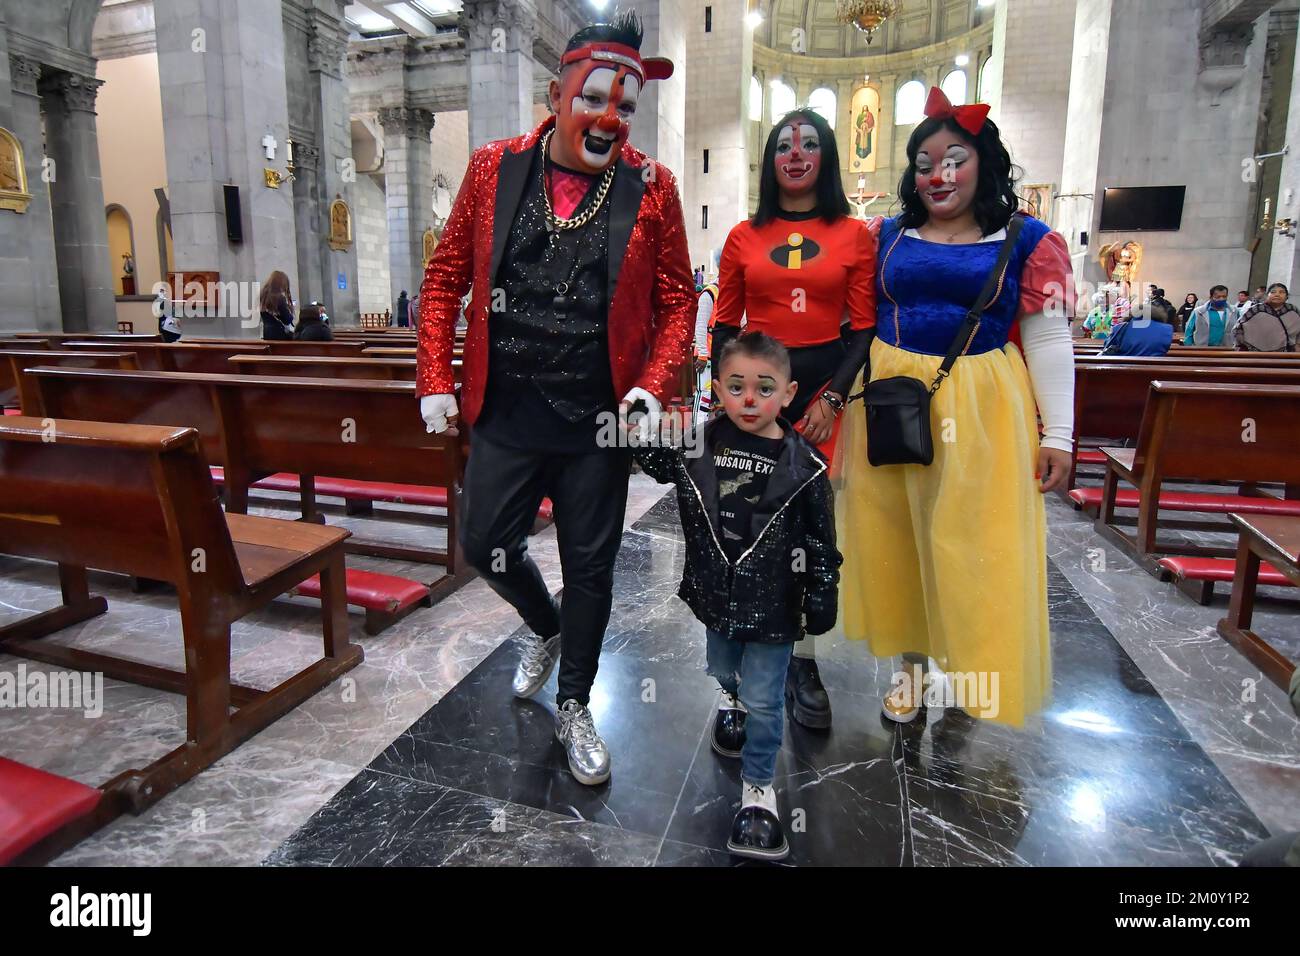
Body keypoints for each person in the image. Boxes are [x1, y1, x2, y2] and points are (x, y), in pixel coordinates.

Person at [415, 9, 692, 786]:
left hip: (597, 418)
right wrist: (435, 373)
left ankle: (575, 701)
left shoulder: (654, 186)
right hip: (506, 408)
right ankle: (543, 624)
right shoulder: (492, 168)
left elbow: (678, 299)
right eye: (596, 98)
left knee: (593, 566)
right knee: (486, 545)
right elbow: (443, 280)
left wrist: (651, 385)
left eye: (626, 106)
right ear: (556, 93)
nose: (611, 118)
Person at [836, 85, 1076, 728]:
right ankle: (912, 674)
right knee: (897, 541)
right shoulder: (882, 235)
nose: (938, 175)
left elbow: (1051, 338)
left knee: (975, 545)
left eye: (954, 158)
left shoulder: (1030, 240)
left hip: (981, 405)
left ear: (984, 163)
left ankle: (971, 670)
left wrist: (1062, 433)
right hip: (888, 402)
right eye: (924, 164)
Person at [634, 332, 840, 860]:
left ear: (789, 393)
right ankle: (730, 700)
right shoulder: (699, 445)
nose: (750, 400)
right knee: (724, 669)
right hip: (716, 594)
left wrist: (822, 591)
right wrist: (637, 418)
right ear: (718, 390)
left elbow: (820, 540)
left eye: (764, 388)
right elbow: (657, 462)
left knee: (767, 698)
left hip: (774, 603)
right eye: (736, 387)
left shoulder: (806, 467)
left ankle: (758, 790)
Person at [710, 106, 876, 730]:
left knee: (806, 533)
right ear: (770, 159)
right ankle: (734, 668)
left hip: (818, 398)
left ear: (827, 156)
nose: (796, 153)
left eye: (809, 144)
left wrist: (831, 399)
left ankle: (800, 660)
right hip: (755, 395)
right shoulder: (742, 236)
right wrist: (734, 398)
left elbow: (862, 331)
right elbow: (724, 325)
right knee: (744, 528)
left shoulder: (853, 234)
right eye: (784, 144)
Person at [1233, 282, 1300, 351]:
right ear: (1267, 295)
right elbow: (1238, 328)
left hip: (1286, 354)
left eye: (1281, 292)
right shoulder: (1256, 309)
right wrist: (1245, 345)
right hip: (1255, 354)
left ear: (1286, 296)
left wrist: (1297, 345)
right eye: (1273, 292)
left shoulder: (1293, 310)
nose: (1277, 294)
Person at [1101, 300, 1174, 356]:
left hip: (1125, 371)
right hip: (1155, 371)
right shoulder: (1167, 329)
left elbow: (1107, 345)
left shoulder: (1119, 327)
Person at [259, 270, 295, 340]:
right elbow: (287, 319)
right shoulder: (280, 298)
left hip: (267, 334)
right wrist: (290, 309)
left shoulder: (263, 297)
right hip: (280, 334)